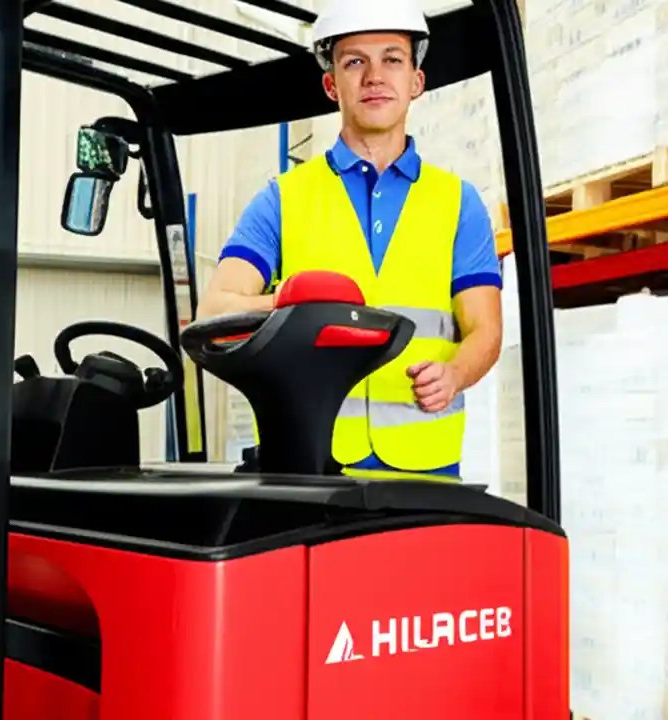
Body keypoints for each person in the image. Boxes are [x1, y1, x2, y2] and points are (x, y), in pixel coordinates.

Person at [198, 0, 503, 480]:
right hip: (309, 465)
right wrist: (292, 303)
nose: (374, 76)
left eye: (392, 59)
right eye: (355, 62)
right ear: (331, 85)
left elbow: (485, 329)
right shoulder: (282, 199)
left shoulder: (458, 203)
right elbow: (216, 310)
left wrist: (455, 374)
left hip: (425, 470)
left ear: (416, 82)